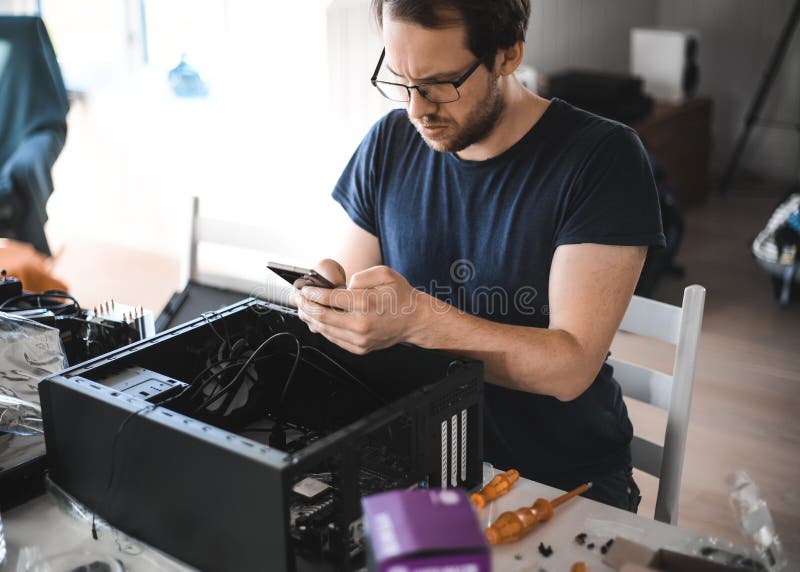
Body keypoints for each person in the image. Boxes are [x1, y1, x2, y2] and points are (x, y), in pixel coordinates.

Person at [292, 0, 665, 511]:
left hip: (558, 478)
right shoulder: (389, 142)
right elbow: (361, 305)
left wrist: (417, 320)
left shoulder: (602, 158)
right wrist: (335, 308)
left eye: (440, 83)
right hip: (419, 461)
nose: (416, 109)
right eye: (401, 80)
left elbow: (571, 366)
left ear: (508, 54)